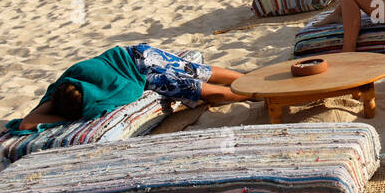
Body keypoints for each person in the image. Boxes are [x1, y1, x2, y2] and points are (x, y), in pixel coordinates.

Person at [14, 44, 246, 132]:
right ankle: (246, 79)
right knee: (193, 69)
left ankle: (248, 93)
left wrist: (60, 118)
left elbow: (26, 123)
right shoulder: (65, 85)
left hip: (139, 73)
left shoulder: (98, 96)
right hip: (137, 52)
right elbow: (26, 122)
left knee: (193, 88)